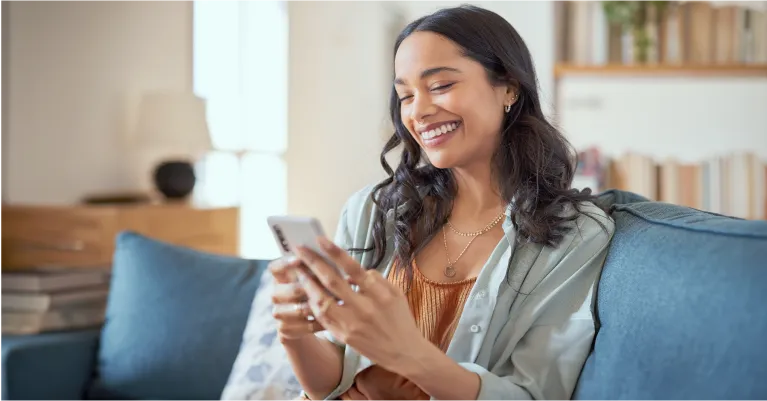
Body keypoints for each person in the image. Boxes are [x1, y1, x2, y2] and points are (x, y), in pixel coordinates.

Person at [269, 5, 615, 401]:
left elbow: (534, 394)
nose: (418, 111)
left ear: (509, 88)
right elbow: (333, 384)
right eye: (405, 95)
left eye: (440, 86)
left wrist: (408, 354)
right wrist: (293, 333)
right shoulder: (374, 209)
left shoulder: (573, 234)